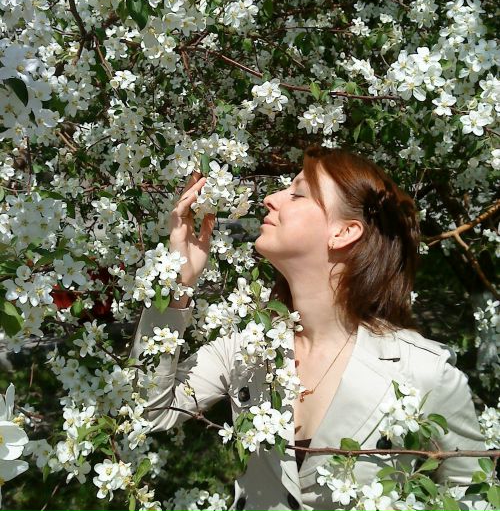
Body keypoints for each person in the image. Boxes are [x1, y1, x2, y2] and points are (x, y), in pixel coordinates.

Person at [128, 145, 488, 511]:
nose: (270, 199)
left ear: (344, 231)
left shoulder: (424, 373)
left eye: (298, 194)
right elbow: (146, 411)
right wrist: (176, 284)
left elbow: (473, 496)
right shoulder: (246, 349)